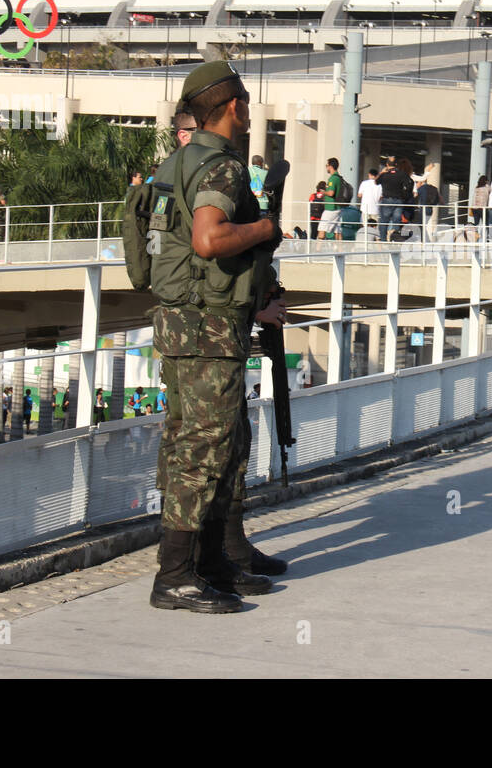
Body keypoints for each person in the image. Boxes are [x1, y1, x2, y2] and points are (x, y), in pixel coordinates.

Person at [147, 60, 289, 613]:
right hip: (208, 327)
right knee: (206, 449)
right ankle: (174, 575)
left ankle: (208, 563)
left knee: (192, 440)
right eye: (247, 103)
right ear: (234, 107)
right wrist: (267, 228)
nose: (250, 112)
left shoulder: (175, 163)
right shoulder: (222, 168)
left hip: (179, 320)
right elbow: (209, 239)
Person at [377, 157, 414, 242]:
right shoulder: (405, 177)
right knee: (396, 222)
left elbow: (377, 182)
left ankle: (384, 240)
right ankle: (394, 237)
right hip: (402, 205)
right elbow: (409, 188)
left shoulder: (385, 175)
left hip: (387, 200)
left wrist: (382, 172)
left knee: (384, 221)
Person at [319, 157, 345, 241]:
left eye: (327, 165)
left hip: (330, 208)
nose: (326, 167)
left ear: (330, 166)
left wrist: (323, 192)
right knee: (337, 231)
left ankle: (318, 250)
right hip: (337, 208)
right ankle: (340, 252)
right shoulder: (339, 178)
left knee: (322, 230)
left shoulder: (333, 178)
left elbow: (331, 193)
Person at [358, 167, 383, 235]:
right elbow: (381, 197)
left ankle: (365, 240)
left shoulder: (364, 183)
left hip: (365, 208)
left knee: (365, 227)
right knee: (375, 228)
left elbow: (359, 195)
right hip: (375, 209)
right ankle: (376, 241)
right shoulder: (380, 185)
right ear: (376, 175)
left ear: (369, 174)